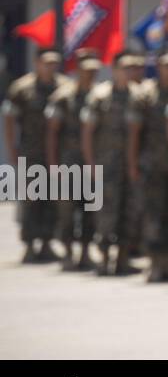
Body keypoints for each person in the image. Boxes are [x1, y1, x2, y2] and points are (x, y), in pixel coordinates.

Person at [2, 48, 68, 263]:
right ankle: (30, 244)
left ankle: (47, 242)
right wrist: (12, 149)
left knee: (52, 198)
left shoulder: (63, 88)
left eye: (54, 63)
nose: (51, 67)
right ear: (37, 63)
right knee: (31, 198)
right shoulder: (22, 88)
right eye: (46, 62)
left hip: (58, 153)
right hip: (30, 152)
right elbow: (10, 119)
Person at [82, 52, 144, 276]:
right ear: (114, 69)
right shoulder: (100, 97)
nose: (128, 73)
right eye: (124, 68)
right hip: (106, 166)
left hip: (132, 167)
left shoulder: (140, 96)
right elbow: (88, 133)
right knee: (106, 213)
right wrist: (90, 165)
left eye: (131, 68)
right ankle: (104, 258)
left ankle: (123, 258)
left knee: (130, 212)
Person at [132, 48, 168, 282]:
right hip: (153, 165)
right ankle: (155, 261)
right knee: (154, 215)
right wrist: (132, 163)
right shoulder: (146, 94)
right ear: (159, 66)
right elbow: (134, 133)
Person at [46, 53, 102, 272]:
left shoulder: (99, 95)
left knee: (90, 210)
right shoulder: (63, 97)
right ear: (78, 69)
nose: (91, 74)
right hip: (68, 163)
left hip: (93, 163)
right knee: (67, 211)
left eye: (94, 70)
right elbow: (52, 132)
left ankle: (86, 252)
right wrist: (52, 165)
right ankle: (68, 252)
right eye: (87, 69)